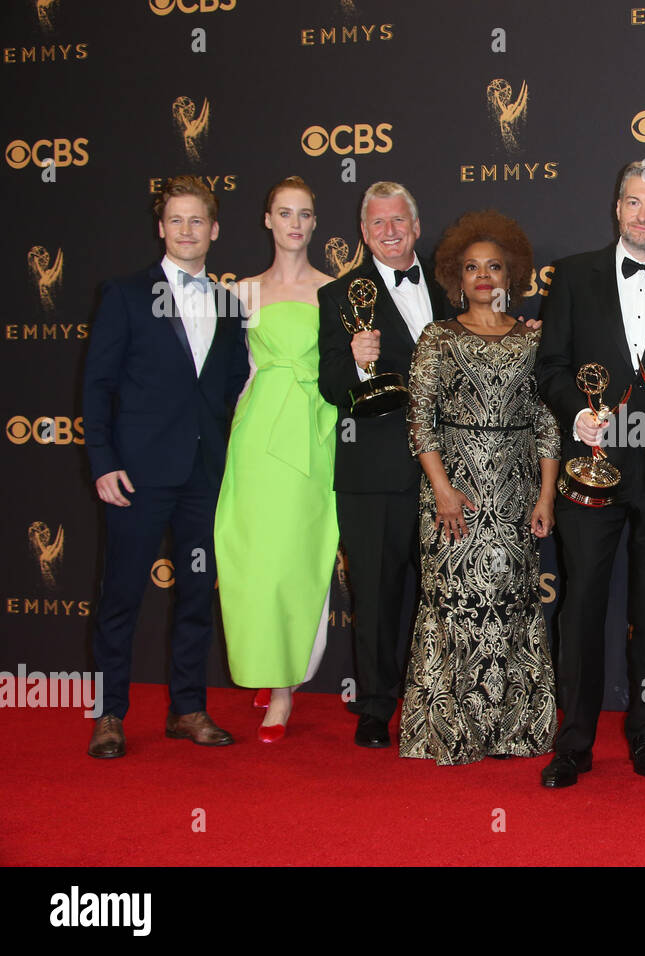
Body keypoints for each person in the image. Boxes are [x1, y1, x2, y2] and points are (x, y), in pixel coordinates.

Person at [535, 158, 645, 788]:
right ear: (617, 207)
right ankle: (575, 743)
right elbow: (551, 368)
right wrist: (574, 416)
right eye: (635, 203)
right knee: (580, 605)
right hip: (594, 465)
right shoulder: (573, 277)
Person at [82, 175, 248, 757]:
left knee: (197, 593)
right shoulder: (126, 294)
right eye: (176, 220)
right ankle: (109, 715)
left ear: (215, 229)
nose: (186, 230)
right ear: (160, 228)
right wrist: (103, 461)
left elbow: (229, 390)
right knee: (122, 595)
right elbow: (97, 385)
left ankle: (187, 708)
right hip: (137, 476)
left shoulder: (230, 305)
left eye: (197, 220)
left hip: (204, 476)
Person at [400, 211, 560, 763]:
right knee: (452, 604)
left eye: (494, 267)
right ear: (456, 279)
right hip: (455, 494)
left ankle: (515, 729)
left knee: (512, 606)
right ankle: (451, 732)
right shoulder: (437, 338)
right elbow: (420, 419)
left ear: (512, 274)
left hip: (516, 493)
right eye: (472, 268)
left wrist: (545, 495)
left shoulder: (531, 340)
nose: (484, 276)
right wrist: (443, 490)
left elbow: (545, 422)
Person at [317, 181, 453, 748]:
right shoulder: (340, 295)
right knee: (375, 595)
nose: (390, 231)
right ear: (363, 233)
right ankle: (374, 707)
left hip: (449, 472)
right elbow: (329, 386)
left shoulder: (450, 289)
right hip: (374, 475)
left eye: (399, 220)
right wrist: (353, 363)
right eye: (378, 224)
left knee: (443, 592)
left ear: (417, 227)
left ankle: (442, 702)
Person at [214, 176, 337, 743]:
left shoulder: (336, 290)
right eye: (284, 213)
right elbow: (221, 375)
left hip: (313, 431)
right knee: (254, 556)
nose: (294, 223)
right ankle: (267, 670)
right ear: (267, 220)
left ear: (314, 223)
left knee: (298, 556)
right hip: (257, 429)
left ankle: (285, 687)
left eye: (304, 214)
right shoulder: (239, 292)